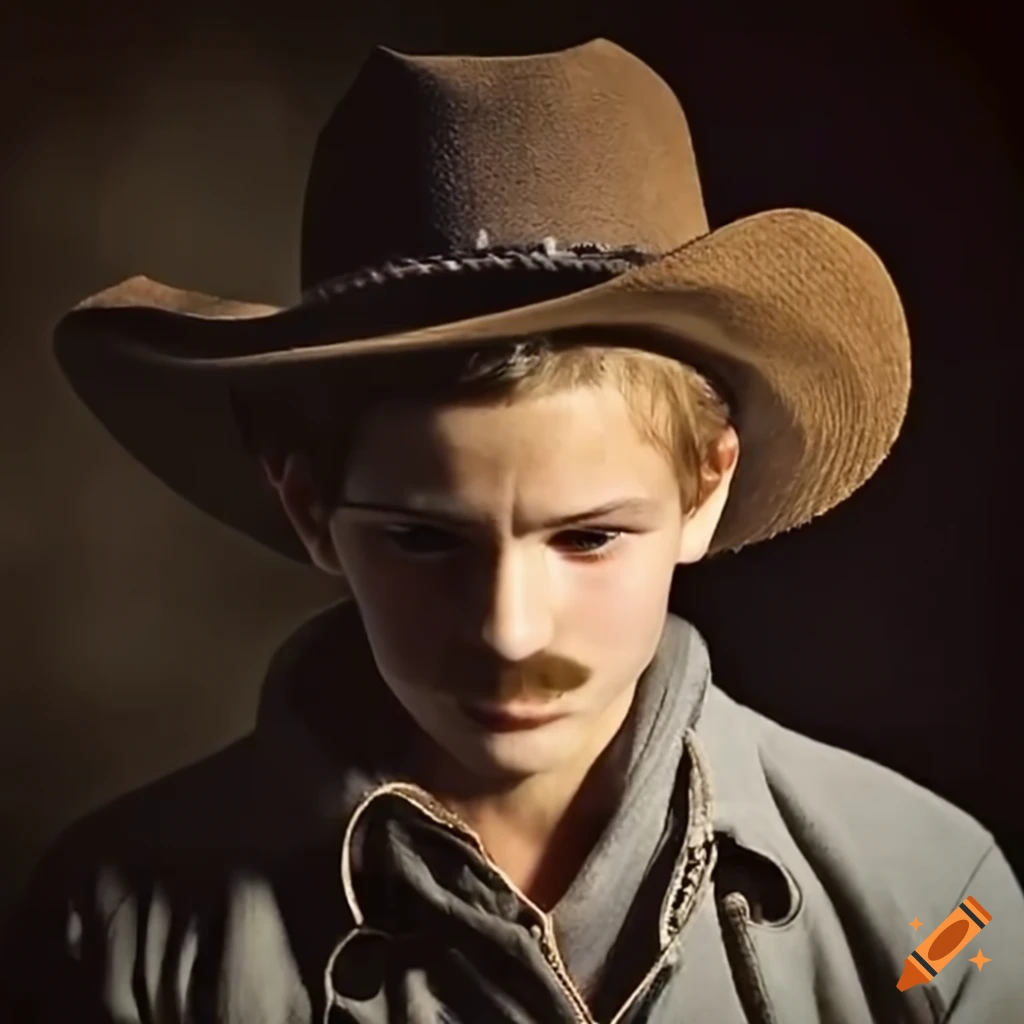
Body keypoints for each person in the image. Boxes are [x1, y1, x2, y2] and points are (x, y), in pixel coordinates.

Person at [2, 37, 1021, 1024]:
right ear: (310, 509)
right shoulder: (120, 929)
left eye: (587, 539)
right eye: (423, 539)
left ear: (705, 493)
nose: (509, 632)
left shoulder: (935, 906)